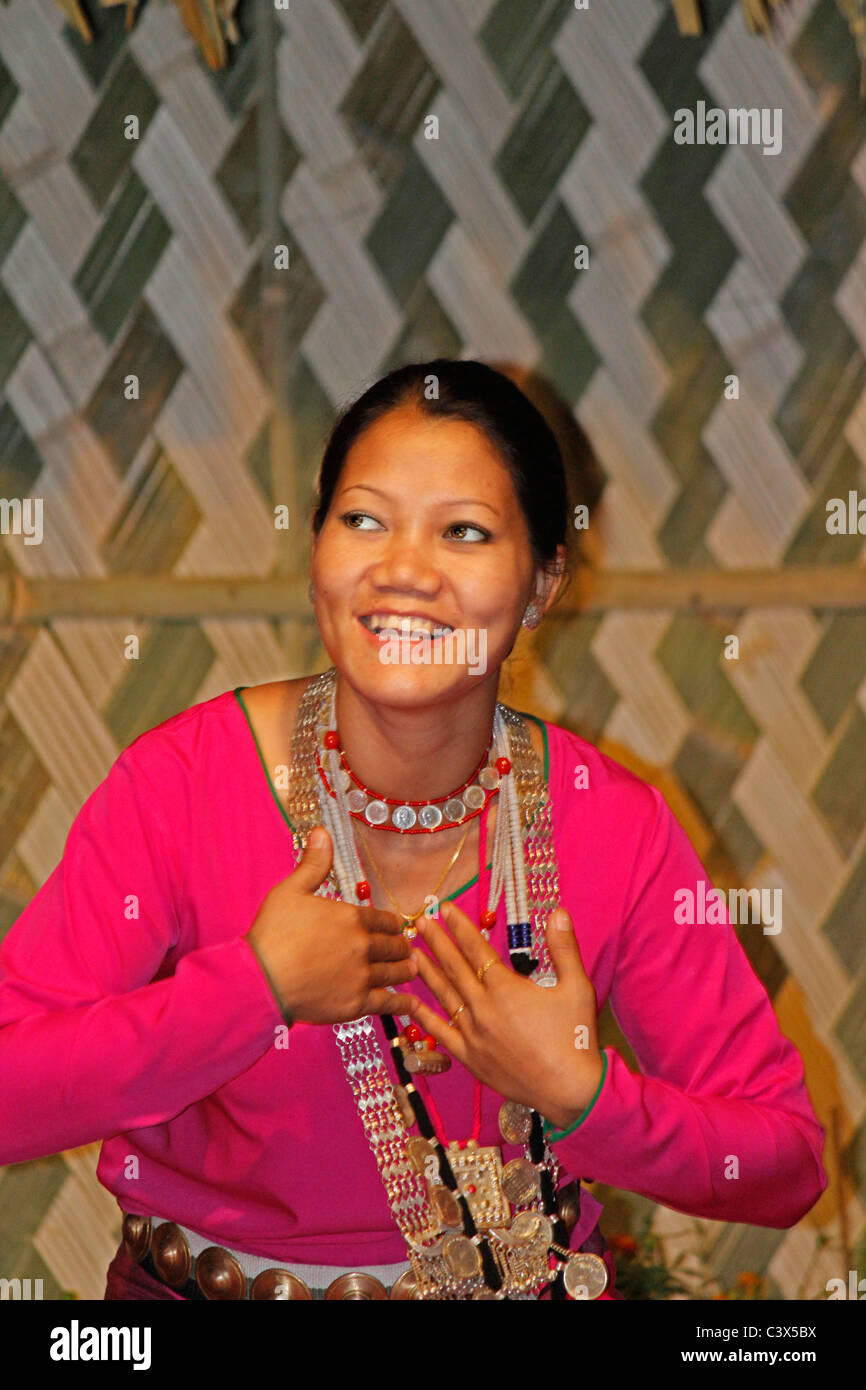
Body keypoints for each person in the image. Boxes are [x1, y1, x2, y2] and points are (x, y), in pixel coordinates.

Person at [0, 359, 827, 1301]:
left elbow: (786, 1163)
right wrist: (251, 989)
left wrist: (584, 1095)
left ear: (544, 582)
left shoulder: (612, 823)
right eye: (363, 520)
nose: (403, 571)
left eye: (464, 533)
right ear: (314, 547)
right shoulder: (182, 784)